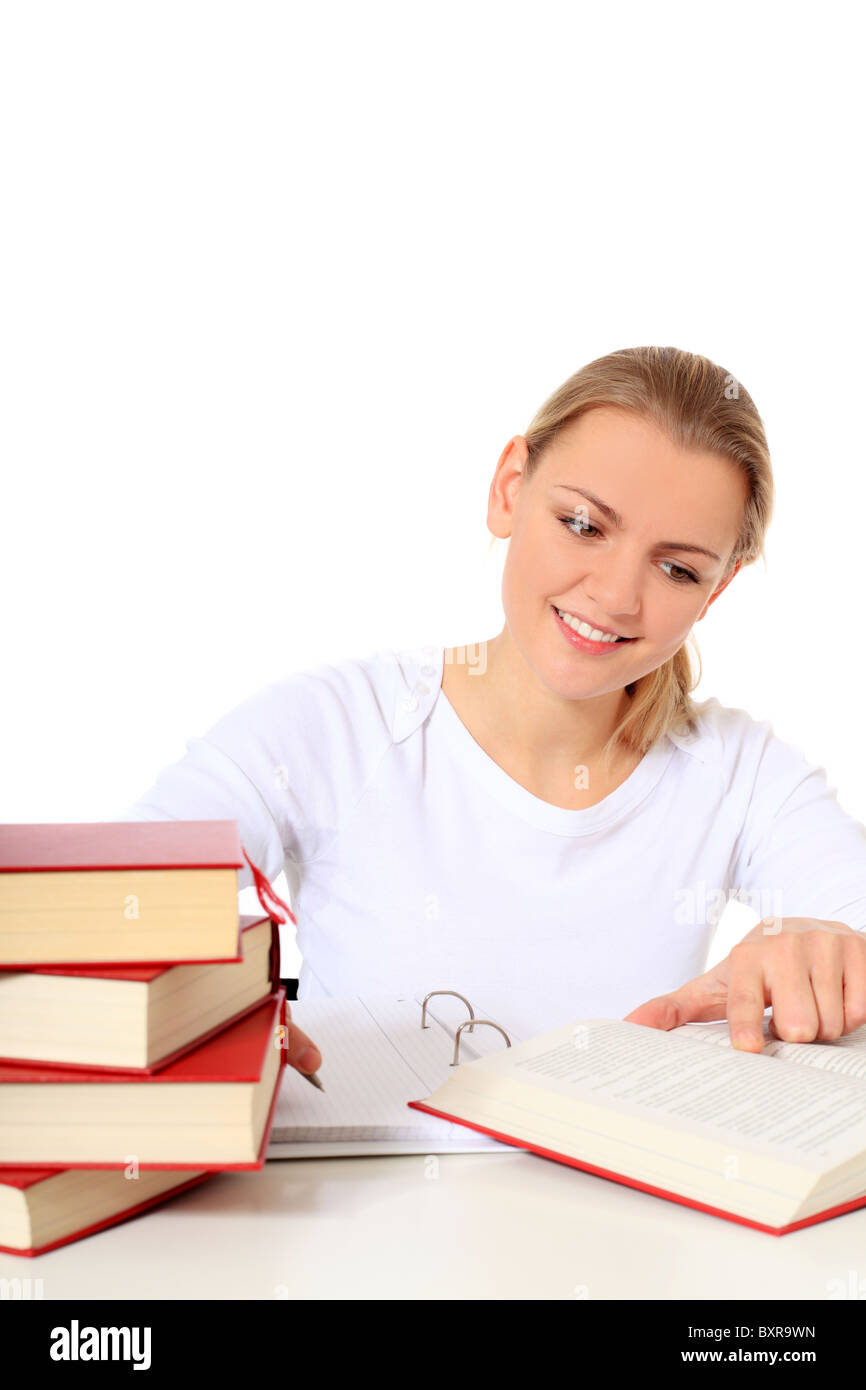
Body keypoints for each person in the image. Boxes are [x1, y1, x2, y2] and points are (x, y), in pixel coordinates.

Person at [108, 345, 866, 1081]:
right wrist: (215, 1017)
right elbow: (103, 907)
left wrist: (826, 950)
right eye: (583, 525)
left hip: (611, 1210)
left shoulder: (742, 774)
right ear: (510, 489)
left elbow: (851, 917)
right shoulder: (336, 728)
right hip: (354, 1207)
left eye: (676, 568)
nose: (615, 595)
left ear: (718, 589)